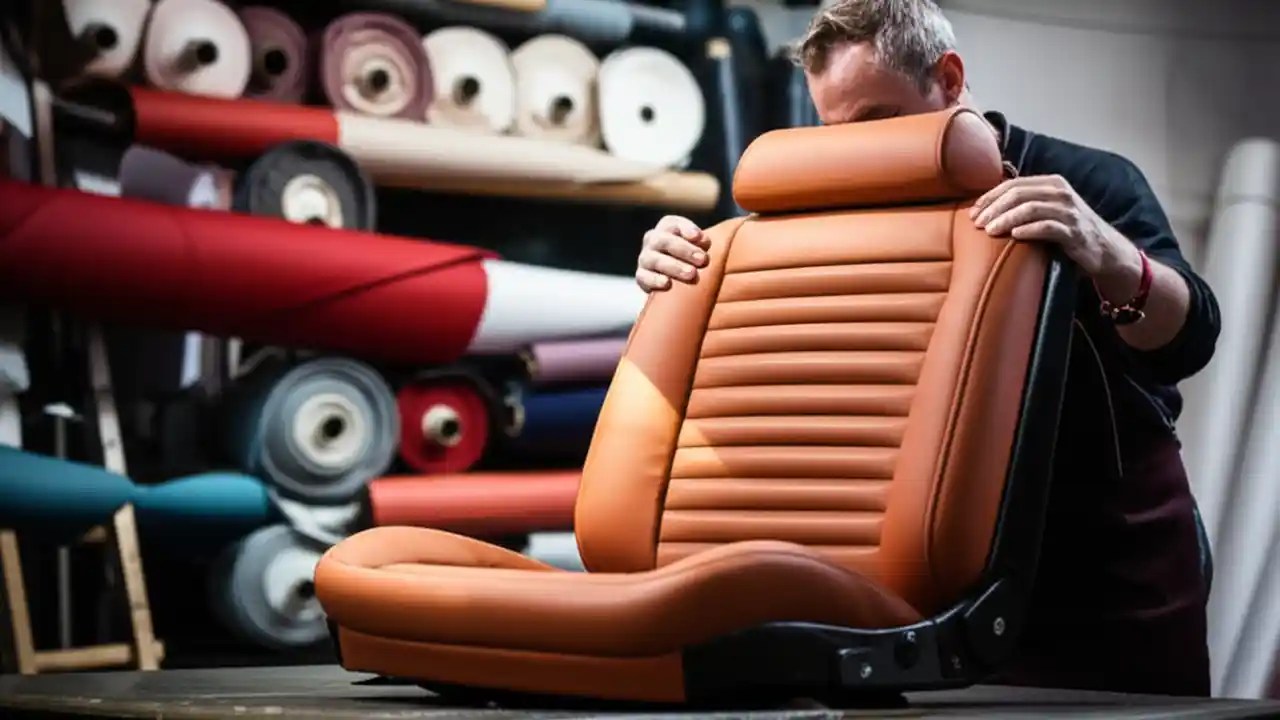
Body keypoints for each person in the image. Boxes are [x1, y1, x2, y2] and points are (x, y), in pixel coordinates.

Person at [634, 0, 1221, 698]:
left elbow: (1190, 338)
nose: (857, 151)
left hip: (1104, 569)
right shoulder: (838, 213)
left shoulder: (1083, 183)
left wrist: (1109, 255)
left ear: (948, 78)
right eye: (834, 131)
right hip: (934, 574)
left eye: (878, 122)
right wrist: (682, 265)